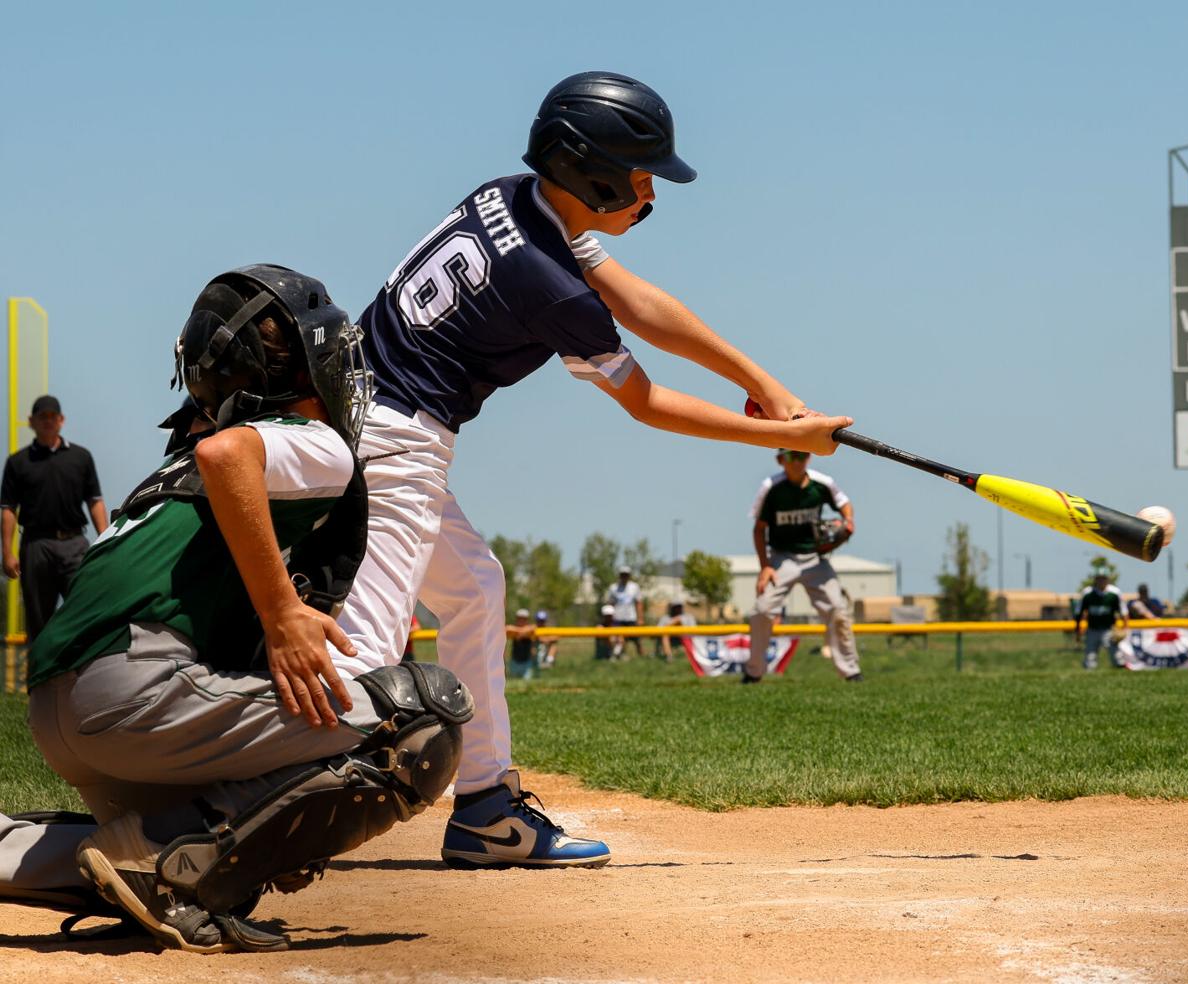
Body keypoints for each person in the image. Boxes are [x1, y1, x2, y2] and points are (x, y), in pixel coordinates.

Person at [334, 71, 851, 871]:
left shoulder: (510, 198)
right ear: (595, 172)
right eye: (641, 177)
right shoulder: (547, 287)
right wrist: (789, 442)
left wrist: (763, 387)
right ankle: (229, 809)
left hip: (356, 413)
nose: (649, 194)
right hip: (396, 445)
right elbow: (644, 401)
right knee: (364, 656)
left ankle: (484, 811)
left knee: (474, 591)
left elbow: (637, 301)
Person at [0, 266, 470, 953]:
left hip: (64, 706)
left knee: (221, 851)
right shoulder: (307, 444)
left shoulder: (170, 464)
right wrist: (282, 617)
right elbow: (230, 456)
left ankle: (30, 850)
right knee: (423, 716)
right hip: (136, 695)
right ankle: (163, 859)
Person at [744, 449, 860, 683]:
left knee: (838, 609)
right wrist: (765, 567)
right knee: (762, 611)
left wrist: (848, 522)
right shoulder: (772, 487)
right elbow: (759, 528)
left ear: (808, 458)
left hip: (815, 559)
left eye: (801, 456)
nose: (796, 461)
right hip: (781, 557)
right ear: (780, 460)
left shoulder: (821, 484)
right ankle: (753, 673)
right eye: (790, 457)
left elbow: (844, 503)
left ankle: (851, 672)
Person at [1, 395, 109, 639]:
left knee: (84, 612)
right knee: (39, 623)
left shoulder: (81, 457)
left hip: (75, 545)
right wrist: (7, 552)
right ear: (32, 421)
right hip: (36, 546)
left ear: (61, 420)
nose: (48, 422)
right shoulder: (18, 462)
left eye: (53, 417)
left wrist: (105, 539)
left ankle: (79, 675)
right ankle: (40, 675)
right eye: (42, 417)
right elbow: (8, 508)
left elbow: (95, 501)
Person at [1075, 574, 1127, 669]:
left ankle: (1121, 670)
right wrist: (1078, 630)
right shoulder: (1087, 593)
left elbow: (1124, 612)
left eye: (1104, 578)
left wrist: (1125, 628)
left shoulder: (1114, 592)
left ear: (1107, 579)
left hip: (1109, 629)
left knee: (1117, 656)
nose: (1101, 581)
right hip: (1092, 629)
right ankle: (1089, 675)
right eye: (1099, 578)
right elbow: (1079, 613)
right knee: (1090, 657)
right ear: (1095, 579)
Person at [605, 565, 645, 658]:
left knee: (637, 640)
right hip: (618, 618)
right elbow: (610, 604)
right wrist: (609, 619)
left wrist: (640, 618)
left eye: (626, 575)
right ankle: (621, 656)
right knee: (621, 640)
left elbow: (639, 603)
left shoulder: (634, 587)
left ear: (629, 575)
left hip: (631, 617)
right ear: (619, 575)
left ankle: (643, 657)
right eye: (622, 574)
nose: (624, 577)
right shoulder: (613, 588)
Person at [507, 608, 537, 679]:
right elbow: (507, 628)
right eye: (519, 618)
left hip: (527, 662)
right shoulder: (513, 628)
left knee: (526, 685)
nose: (521, 620)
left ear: (527, 620)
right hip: (515, 661)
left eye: (524, 618)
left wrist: (520, 633)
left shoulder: (530, 628)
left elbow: (533, 628)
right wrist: (522, 632)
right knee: (514, 684)